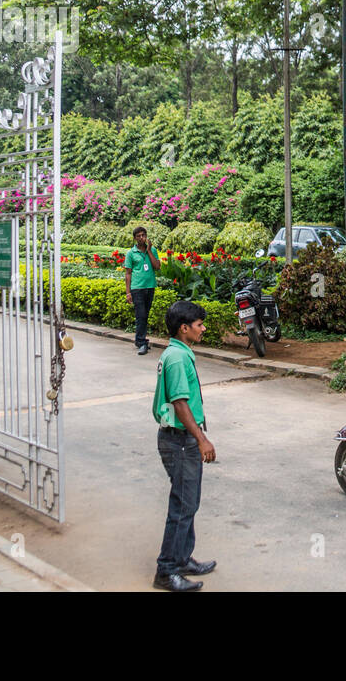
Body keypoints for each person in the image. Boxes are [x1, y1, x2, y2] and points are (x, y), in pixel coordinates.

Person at [152, 299, 217, 592]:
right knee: (182, 504)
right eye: (199, 325)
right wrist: (201, 439)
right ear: (184, 328)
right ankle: (167, 571)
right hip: (179, 441)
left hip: (182, 439)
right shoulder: (177, 358)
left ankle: (182, 558)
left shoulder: (179, 352)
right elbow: (179, 403)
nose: (203, 329)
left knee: (188, 501)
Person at [125, 226, 161, 355]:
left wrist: (150, 251)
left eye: (143, 235)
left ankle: (140, 340)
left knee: (145, 314)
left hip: (150, 287)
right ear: (135, 238)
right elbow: (128, 273)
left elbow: (157, 266)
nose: (141, 238)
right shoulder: (131, 253)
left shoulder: (153, 250)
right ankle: (141, 342)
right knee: (141, 315)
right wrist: (128, 292)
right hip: (137, 288)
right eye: (139, 236)